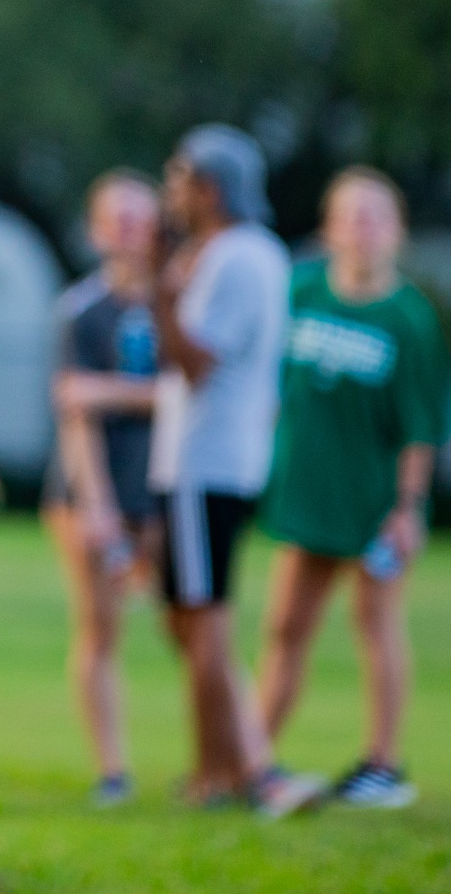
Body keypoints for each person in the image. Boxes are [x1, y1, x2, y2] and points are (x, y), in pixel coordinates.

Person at [253, 168, 451, 811]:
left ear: (397, 230)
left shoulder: (409, 317)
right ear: (329, 226)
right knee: (285, 626)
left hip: (373, 504)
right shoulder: (302, 290)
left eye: (375, 217)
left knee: (376, 622)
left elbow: (421, 426)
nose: (362, 229)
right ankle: (252, 757)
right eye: (350, 215)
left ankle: (383, 765)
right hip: (306, 496)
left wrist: (407, 509)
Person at [147, 124, 321, 817]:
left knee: (204, 619)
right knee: (185, 618)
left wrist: (161, 297)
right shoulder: (256, 253)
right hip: (218, 459)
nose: (171, 191)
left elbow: (195, 362)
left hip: (203, 460)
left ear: (210, 188)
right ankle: (226, 766)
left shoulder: (233, 259)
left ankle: (237, 771)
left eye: (179, 177)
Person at [43, 169, 162, 808]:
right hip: (91, 492)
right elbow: (74, 412)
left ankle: (221, 766)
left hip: (162, 489)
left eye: (138, 217)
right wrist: (97, 507)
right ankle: (113, 771)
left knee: (191, 626)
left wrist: (113, 392)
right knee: (99, 628)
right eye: (115, 218)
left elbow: (191, 396)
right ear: (95, 231)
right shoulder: (82, 310)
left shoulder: (179, 304)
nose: (127, 230)